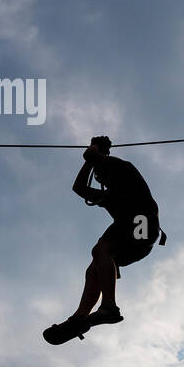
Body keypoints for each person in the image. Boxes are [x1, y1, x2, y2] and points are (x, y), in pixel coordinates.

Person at [62, 135, 164, 333]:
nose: (99, 177)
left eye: (100, 173)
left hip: (142, 223)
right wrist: (91, 162)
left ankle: (109, 307)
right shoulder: (108, 195)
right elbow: (79, 188)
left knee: (101, 249)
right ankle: (80, 316)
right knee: (95, 267)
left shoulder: (123, 170)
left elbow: (91, 154)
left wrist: (97, 148)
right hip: (139, 241)